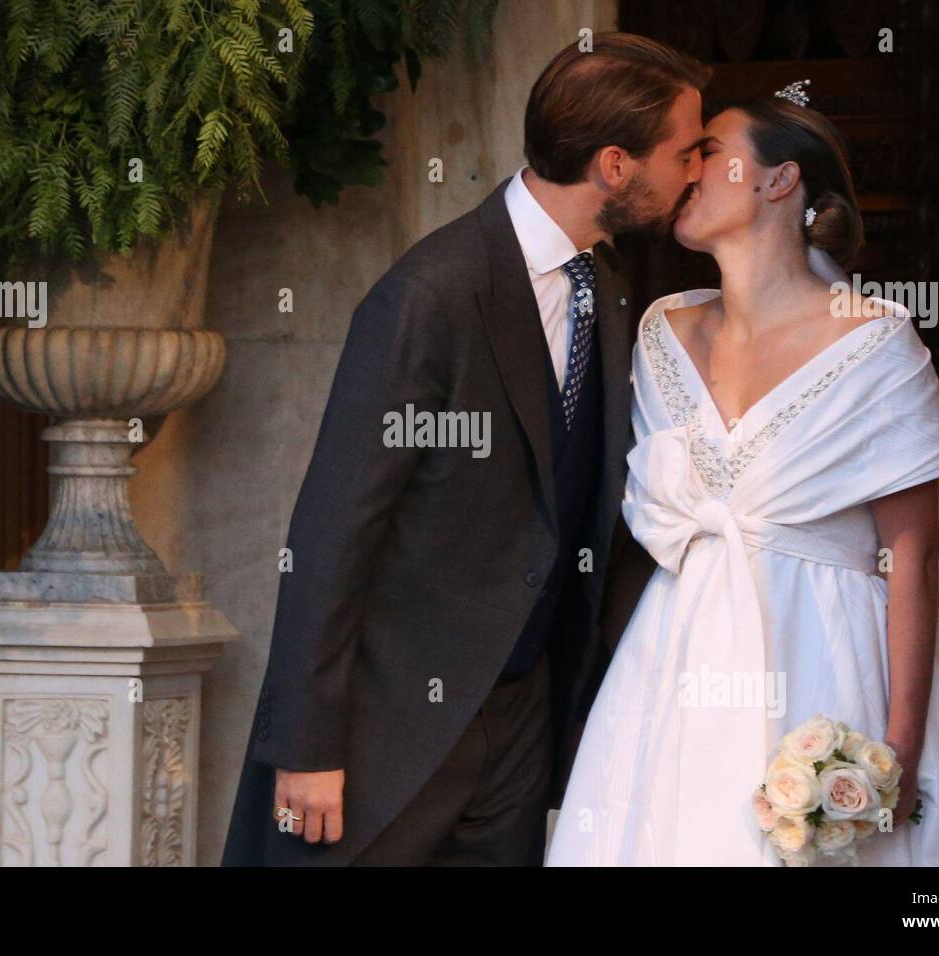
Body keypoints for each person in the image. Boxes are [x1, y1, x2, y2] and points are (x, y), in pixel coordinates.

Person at [546, 88, 939, 866]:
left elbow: (914, 560)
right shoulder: (661, 329)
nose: (690, 168)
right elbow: (642, 542)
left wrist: (895, 750)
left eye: (712, 150)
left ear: (778, 181)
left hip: (826, 659)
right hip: (670, 670)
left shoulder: (876, 342)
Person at [221, 33, 710, 866]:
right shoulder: (430, 295)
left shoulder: (611, 293)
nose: (698, 169)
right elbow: (331, 532)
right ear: (616, 165)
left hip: (520, 726)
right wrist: (305, 747)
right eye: (687, 150)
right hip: (389, 730)